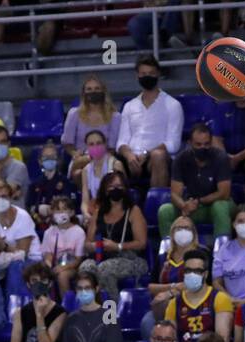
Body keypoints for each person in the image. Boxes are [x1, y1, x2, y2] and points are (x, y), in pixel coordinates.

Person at [79, 171, 149, 302]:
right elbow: (87, 244)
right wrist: (95, 246)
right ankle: (91, 308)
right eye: (111, 186)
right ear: (105, 191)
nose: (116, 189)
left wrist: (117, 246)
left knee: (106, 269)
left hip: (131, 259)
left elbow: (141, 243)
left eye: (119, 186)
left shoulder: (133, 211)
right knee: (85, 268)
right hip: (102, 257)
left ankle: (111, 314)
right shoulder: (98, 212)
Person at [116, 55, 182, 188]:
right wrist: (129, 156)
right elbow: (121, 141)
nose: (147, 76)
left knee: (158, 156)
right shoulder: (129, 106)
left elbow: (173, 143)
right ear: (137, 76)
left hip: (155, 158)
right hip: (131, 158)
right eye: (143, 73)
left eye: (151, 73)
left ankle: (156, 205)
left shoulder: (173, 105)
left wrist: (146, 155)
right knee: (110, 160)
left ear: (158, 74)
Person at [160, 123, 234, 239]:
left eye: (206, 144)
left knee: (220, 206)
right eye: (198, 144)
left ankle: (222, 251)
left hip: (217, 205)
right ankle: (169, 251)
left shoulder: (221, 157)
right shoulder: (181, 159)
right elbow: (175, 194)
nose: (202, 148)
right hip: (193, 207)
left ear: (211, 142)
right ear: (189, 144)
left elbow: (224, 193)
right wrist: (184, 206)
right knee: (165, 210)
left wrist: (199, 201)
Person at [163, 248, 234, 342]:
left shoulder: (220, 298)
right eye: (188, 271)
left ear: (205, 274)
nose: (192, 274)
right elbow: (169, 340)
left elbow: (222, 340)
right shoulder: (174, 303)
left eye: (196, 271)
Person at [0, 179, 37, 278]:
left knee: (15, 266)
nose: (0, 200)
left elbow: (23, 254)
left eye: (4, 196)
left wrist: (5, 246)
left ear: (10, 198)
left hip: (26, 264)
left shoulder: (23, 217)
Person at [62, 76, 123, 160]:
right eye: (89, 89)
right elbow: (68, 144)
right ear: (84, 93)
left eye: (97, 88)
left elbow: (112, 148)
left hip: (106, 159)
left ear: (103, 92)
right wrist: (75, 154)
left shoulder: (115, 117)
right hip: (81, 159)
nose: (93, 92)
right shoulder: (74, 114)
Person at [38, 196, 85, 296]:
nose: (60, 213)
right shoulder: (48, 232)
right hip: (55, 265)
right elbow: (47, 254)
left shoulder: (79, 232)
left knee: (62, 275)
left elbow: (78, 259)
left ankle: (67, 306)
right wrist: (49, 265)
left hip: (73, 267)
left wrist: (63, 267)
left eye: (64, 209)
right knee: (39, 273)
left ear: (71, 212)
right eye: (57, 210)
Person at [76, 130, 125, 220]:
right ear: (87, 147)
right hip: (96, 210)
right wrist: (87, 215)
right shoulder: (86, 170)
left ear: (105, 144)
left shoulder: (116, 165)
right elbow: (85, 201)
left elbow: (123, 196)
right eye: (91, 144)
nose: (95, 147)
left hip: (115, 210)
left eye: (98, 143)